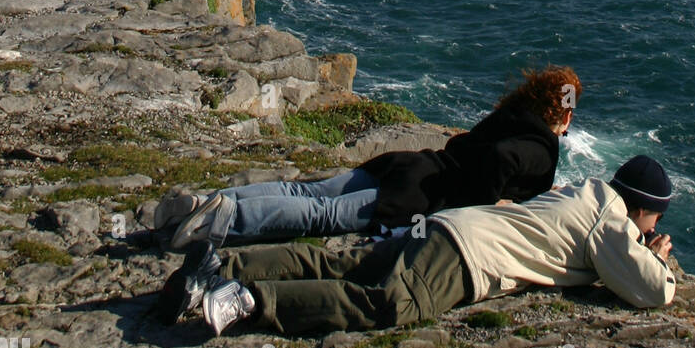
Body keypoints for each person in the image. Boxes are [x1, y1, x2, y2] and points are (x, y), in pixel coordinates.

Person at [156, 154, 676, 334]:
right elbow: (652, 291)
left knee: (347, 262)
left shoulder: (579, 192)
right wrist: (654, 259)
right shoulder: (611, 222)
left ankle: (224, 263)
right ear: (643, 210)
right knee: (386, 302)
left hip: (448, 225)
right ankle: (248, 301)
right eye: (654, 217)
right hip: (465, 260)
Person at [152, 65, 582, 252]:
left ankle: (210, 201)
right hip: (416, 195)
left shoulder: (510, 117)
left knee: (304, 190)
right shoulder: (542, 148)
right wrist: (490, 204)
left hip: (409, 163)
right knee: (321, 216)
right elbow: (502, 163)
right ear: (562, 112)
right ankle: (218, 221)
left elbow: (477, 149)